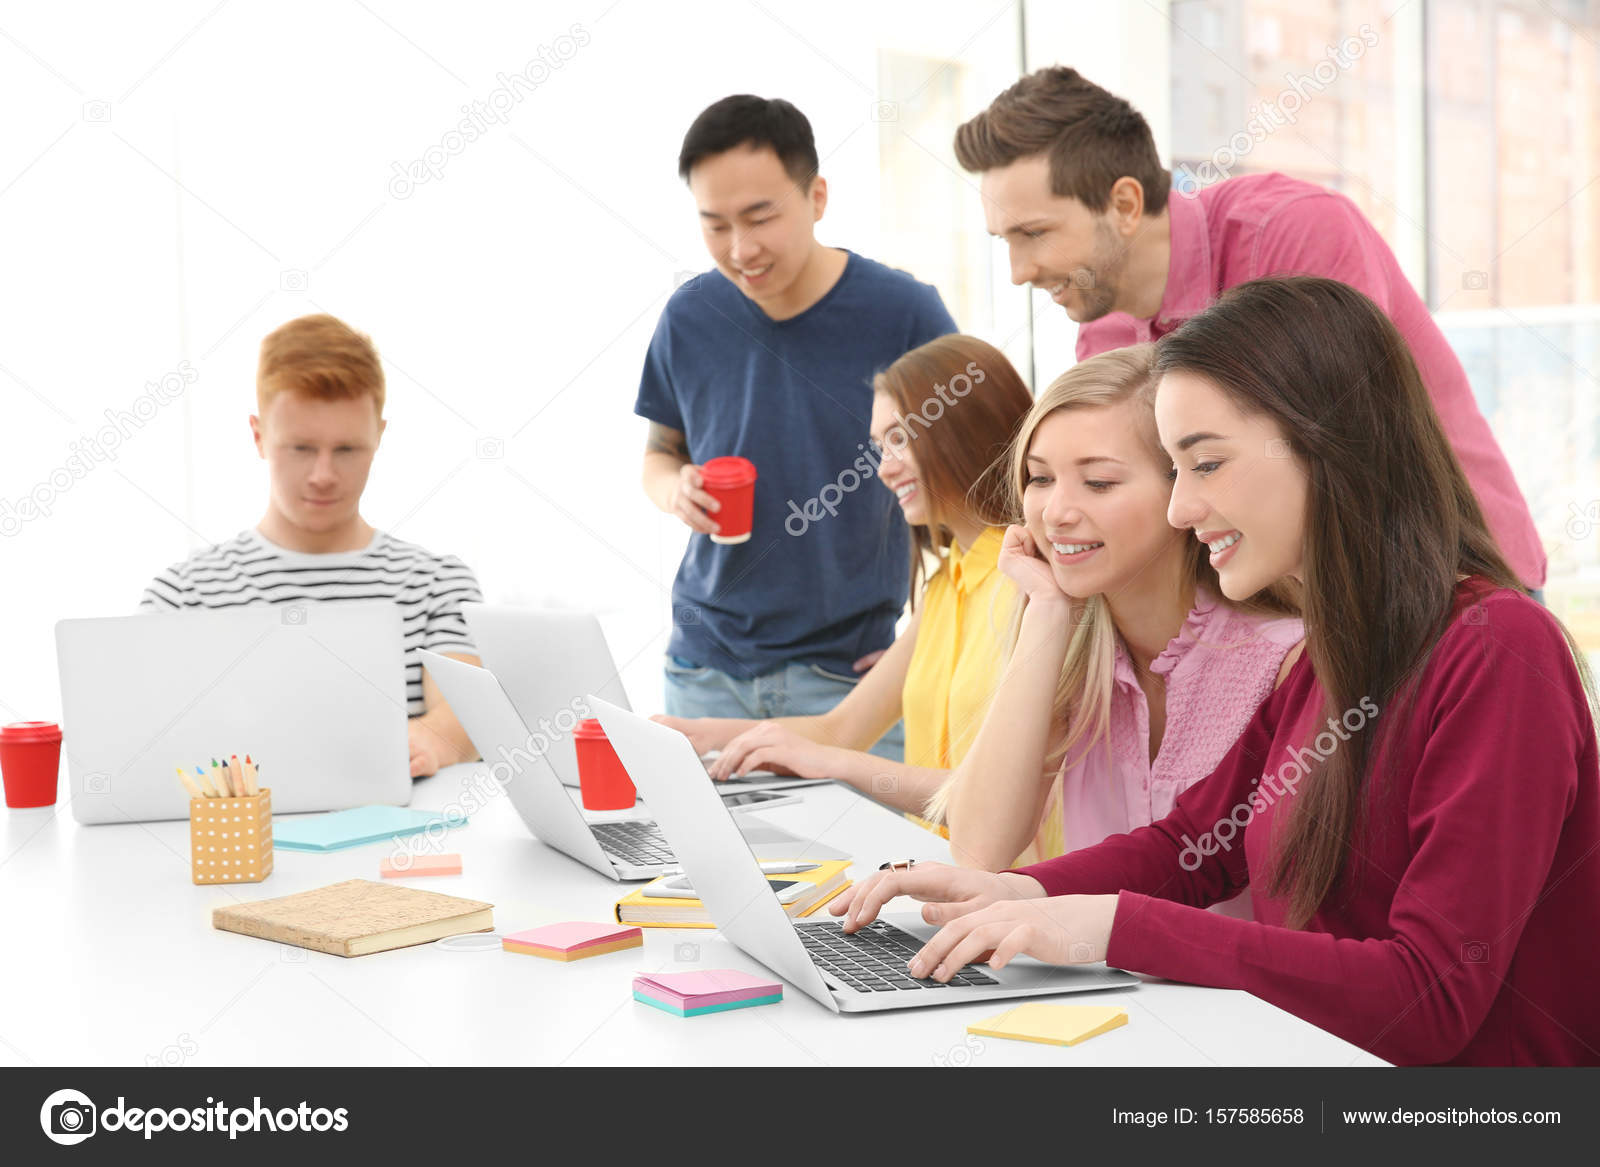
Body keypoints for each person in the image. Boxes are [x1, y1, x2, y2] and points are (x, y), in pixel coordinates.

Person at [833, 277, 1600, 1067]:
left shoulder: (1498, 650)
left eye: (1204, 465)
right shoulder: (1336, 655)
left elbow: (1429, 995)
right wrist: (1020, 892)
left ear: (1325, 441)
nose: (1180, 509)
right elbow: (1195, 842)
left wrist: (1108, 927)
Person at [952, 65, 1545, 591]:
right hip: (1288, 614)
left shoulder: (1292, 232)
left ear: (1126, 205)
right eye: (1005, 241)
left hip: (1449, 580)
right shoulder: (1102, 331)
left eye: (1034, 234)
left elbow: (1342, 463)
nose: (1018, 271)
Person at [637, 95, 957, 759]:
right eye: (714, 225)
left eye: (760, 217)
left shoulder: (904, 312)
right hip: (702, 671)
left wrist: (923, 642)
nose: (740, 249)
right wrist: (676, 489)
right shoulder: (689, 316)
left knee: (880, 865)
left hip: (849, 675)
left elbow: (980, 486)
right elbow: (659, 453)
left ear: (817, 196)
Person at [922, 345, 1301, 890]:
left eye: (1098, 482)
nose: (1056, 513)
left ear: (1183, 491)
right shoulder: (1074, 656)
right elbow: (979, 848)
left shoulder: (1284, 659)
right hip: (1096, 972)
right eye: (1040, 478)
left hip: (1233, 978)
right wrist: (1049, 612)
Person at [656, 335, 1030, 814]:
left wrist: (833, 763)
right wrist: (704, 733)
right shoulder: (946, 585)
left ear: (965, 428)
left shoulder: (1028, 583)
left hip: (1004, 880)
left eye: (900, 439)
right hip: (939, 869)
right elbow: (842, 728)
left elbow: (995, 797)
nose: (883, 469)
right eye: (880, 446)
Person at [139, 314, 483, 779]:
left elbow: (466, 716)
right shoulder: (182, 594)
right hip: (240, 842)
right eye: (300, 448)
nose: (323, 474)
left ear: (379, 437)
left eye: (346, 450)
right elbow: (145, 740)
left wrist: (431, 742)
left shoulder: (437, 583)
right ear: (259, 436)